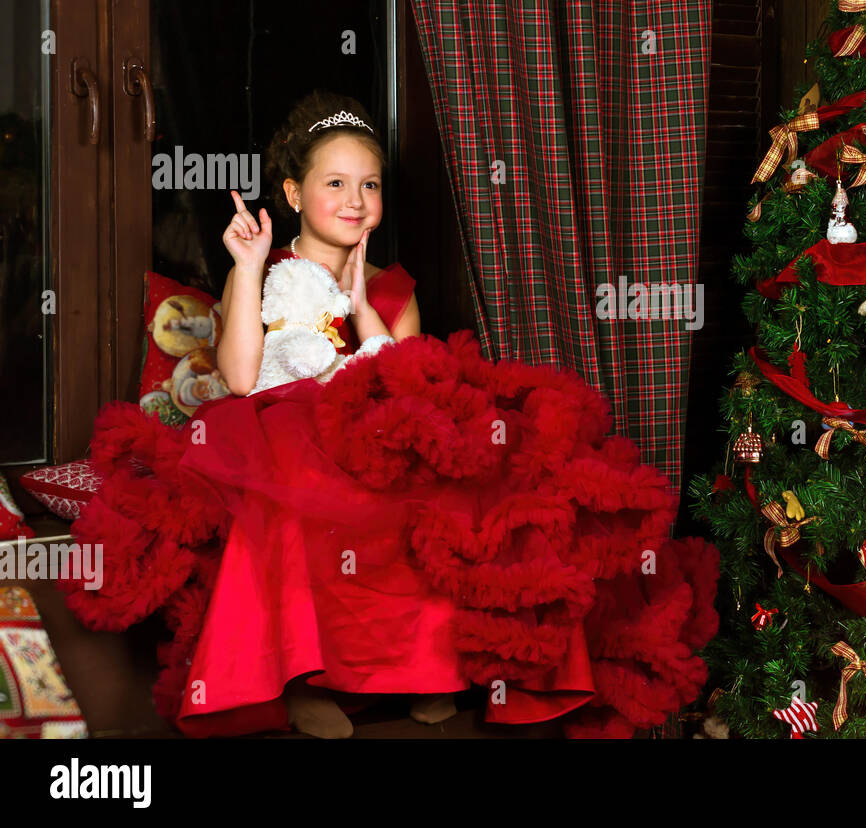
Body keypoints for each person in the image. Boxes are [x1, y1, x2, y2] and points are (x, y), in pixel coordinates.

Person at [61, 92, 717, 739]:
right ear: (292, 194)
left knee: (455, 495)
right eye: (336, 182)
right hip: (279, 431)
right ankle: (300, 683)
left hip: (377, 431)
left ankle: (428, 675)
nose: (355, 199)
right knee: (293, 505)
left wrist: (366, 316)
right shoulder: (260, 271)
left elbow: (419, 390)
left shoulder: (392, 286)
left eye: (369, 184)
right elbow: (236, 377)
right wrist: (250, 264)